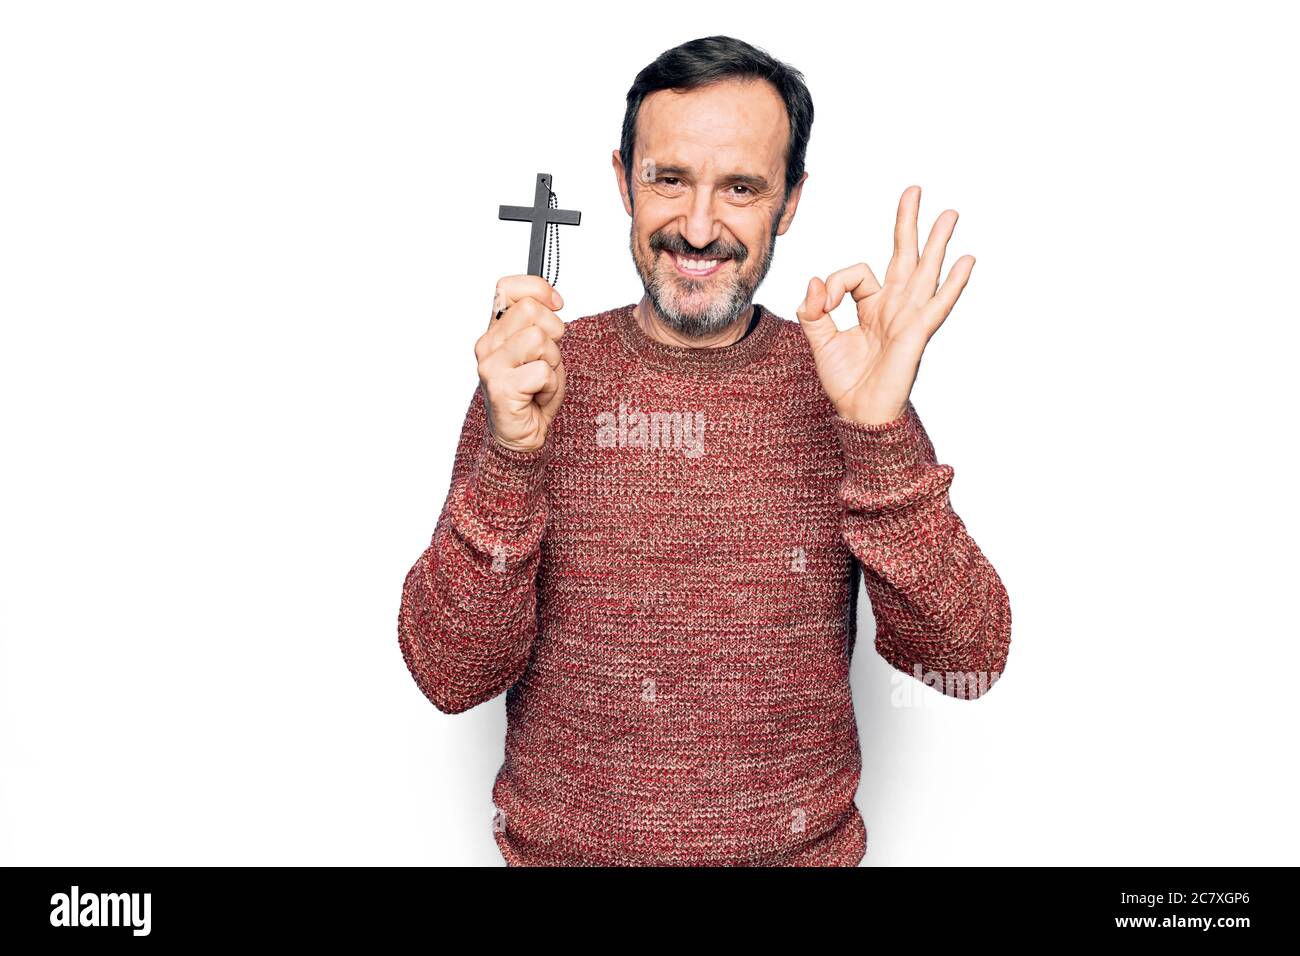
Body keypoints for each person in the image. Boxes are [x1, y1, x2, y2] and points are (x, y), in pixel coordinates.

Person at [398, 34, 1011, 866]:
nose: (696, 227)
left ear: (789, 202)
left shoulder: (843, 382)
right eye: (669, 179)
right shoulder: (535, 377)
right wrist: (511, 459)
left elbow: (965, 656)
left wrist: (880, 437)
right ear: (624, 180)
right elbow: (450, 674)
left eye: (741, 188)